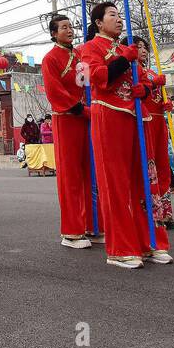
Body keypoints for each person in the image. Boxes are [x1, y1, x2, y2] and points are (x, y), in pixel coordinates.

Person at [77, 2, 158, 269]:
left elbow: (145, 79)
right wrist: (125, 59)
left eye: (119, 15)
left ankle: (146, 242)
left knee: (140, 180)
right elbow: (97, 79)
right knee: (116, 182)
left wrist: (145, 90)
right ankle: (120, 248)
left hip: (134, 116)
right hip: (108, 115)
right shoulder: (88, 49)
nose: (119, 19)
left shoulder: (126, 48)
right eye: (112, 15)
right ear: (99, 22)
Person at [41, 14, 96, 247]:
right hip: (66, 118)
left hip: (85, 116)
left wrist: (89, 106)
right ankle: (71, 231)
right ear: (54, 33)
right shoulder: (50, 58)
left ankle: (92, 224)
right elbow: (53, 90)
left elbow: (85, 86)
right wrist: (77, 108)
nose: (69, 30)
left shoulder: (79, 56)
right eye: (64, 27)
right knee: (71, 175)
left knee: (89, 171)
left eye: (70, 26)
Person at [134, 37, 174, 263]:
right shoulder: (134, 71)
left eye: (144, 47)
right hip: (145, 121)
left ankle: (165, 212)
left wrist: (164, 104)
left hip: (159, 122)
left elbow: (156, 99)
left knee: (163, 167)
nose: (142, 51)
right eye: (138, 47)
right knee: (150, 170)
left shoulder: (150, 72)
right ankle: (152, 217)